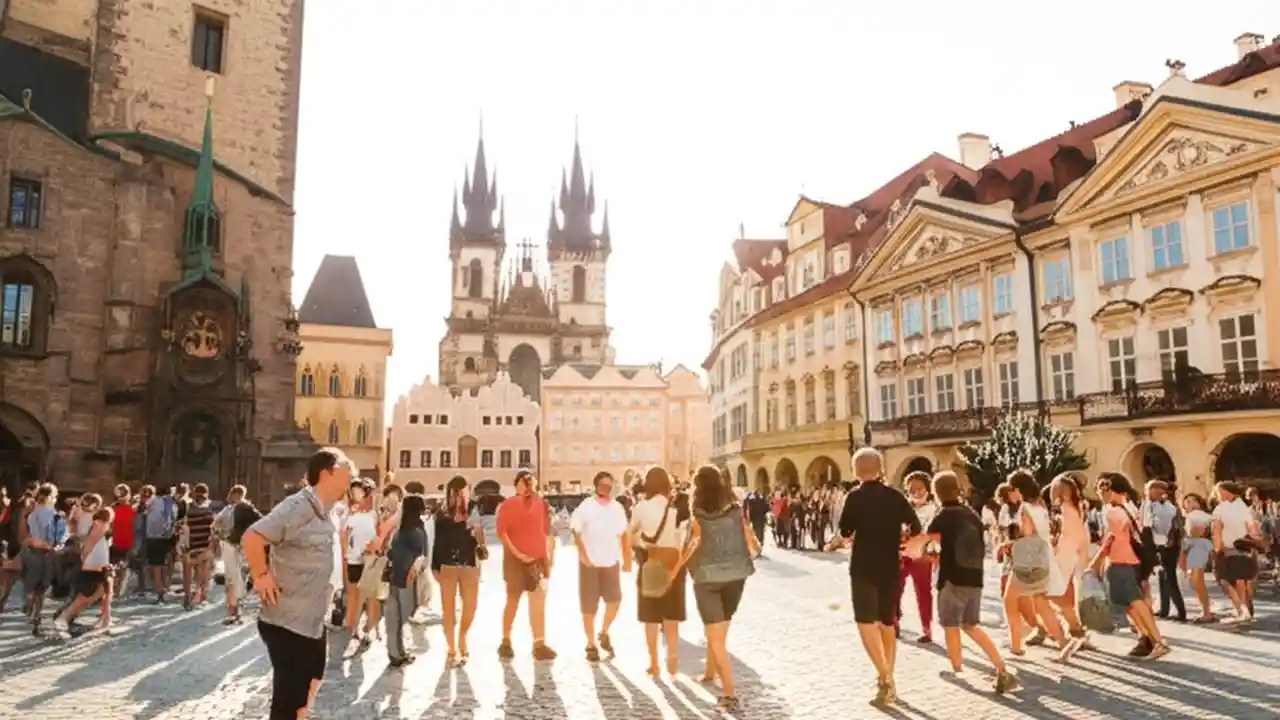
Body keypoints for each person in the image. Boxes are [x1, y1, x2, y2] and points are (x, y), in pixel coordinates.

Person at [243, 448, 353, 720]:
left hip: (313, 620)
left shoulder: (329, 511)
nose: (352, 473)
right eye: (346, 468)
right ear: (328, 472)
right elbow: (253, 536)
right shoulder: (298, 506)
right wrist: (261, 574)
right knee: (288, 700)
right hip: (287, 621)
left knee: (313, 680)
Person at [825, 447, 921, 707]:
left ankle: (884, 676)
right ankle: (888, 677)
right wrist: (902, 540)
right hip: (890, 565)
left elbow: (845, 530)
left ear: (856, 471)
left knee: (866, 622)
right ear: (880, 469)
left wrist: (842, 540)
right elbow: (916, 526)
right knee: (887, 623)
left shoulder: (854, 497)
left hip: (863, 566)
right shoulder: (894, 496)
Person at [911, 471, 1017, 693]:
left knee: (950, 625)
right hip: (974, 578)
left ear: (935, 494)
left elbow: (926, 541)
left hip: (952, 578)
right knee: (970, 625)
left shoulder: (942, 516)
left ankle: (957, 668)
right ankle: (1001, 667)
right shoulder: (972, 515)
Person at [680, 465, 759, 712]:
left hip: (707, 578)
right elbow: (751, 541)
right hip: (736, 576)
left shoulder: (696, 515)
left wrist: (676, 570)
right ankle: (709, 671)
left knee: (715, 637)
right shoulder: (736, 511)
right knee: (718, 632)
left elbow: (690, 547)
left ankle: (729, 693)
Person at [1090, 471, 1170, 660]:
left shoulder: (1113, 511)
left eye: (1104, 488)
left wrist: (1096, 562)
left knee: (1134, 602)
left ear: (1112, 489)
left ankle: (1157, 640)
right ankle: (1147, 638)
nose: (1100, 492)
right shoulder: (1127, 507)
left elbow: (1110, 539)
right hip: (1129, 561)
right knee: (1128, 604)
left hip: (1120, 561)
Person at [629, 466, 688, 676]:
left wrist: (642, 543)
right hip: (674, 564)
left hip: (652, 561)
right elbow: (683, 540)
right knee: (671, 617)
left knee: (651, 617)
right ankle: (672, 655)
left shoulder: (641, 508)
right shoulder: (678, 508)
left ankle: (654, 663)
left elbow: (630, 537)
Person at [571, 471, 632, 662]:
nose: (607, 487)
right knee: (589, 606)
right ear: (596, 486)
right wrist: (582, 554)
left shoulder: (617, 508)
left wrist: (627, 558)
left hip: (610, 561)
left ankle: (604, 631)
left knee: (615, 601)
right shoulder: (586, 507)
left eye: (610, 484)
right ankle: (590, 644)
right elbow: (576, 530)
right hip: (589, 563)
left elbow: (624, 534)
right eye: (603, 484)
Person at [497, 469, 556, 661]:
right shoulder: (508, 505)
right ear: (517, 484)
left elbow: (547, 532)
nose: (530, 484)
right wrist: (518, 554)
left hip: (537, 559)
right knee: (512, 601)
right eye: (525, 481)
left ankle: (539, 643)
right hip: (515, 561)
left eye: (532, 481)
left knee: (538, 602)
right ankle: (505, 641)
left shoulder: (541, 504)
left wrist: (549, 556)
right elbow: (503, 534)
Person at [433, 476, 485, 666]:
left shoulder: (473, 509)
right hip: (447, 565)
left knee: (471, 606)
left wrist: (477, 532)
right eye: (458, 491)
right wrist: (434, 566)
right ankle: (452, 648)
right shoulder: (442, 512)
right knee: (448, 611)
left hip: (469, 563)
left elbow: (480, 537)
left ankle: (462, 635)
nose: (462, 495)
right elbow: (437, 541)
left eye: (464, 490)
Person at [53, 506, 115, 636]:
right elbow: (87, 552)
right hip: (91, 570)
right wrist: (87, 561)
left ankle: (105, 620)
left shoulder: (100, 532)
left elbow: (99, 553)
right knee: (82, 600)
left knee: (102, 593)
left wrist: (105, 565)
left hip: (98, 569)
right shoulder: (96, 532)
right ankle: (62, 620)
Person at [384, 494, 429, 668]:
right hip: (407, 578)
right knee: (401, 617)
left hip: (395, 576)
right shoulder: (417, 530)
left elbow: (391, 553)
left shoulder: (400, 530)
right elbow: (420, 556)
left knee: (393, 617)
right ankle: (396, 652)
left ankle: (396, 652)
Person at [1212, 480, 1263, 625]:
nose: (1217, 494)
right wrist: (1255, 543)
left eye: (1219, 491)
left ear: (1226, 492)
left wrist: (1217, 549)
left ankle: (1242, 610)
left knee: (1227, 580)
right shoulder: (1244, 508)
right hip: (1246, 547)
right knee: (1243, 579)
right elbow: (1253, 529)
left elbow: (1217, 530)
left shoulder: (1220, 509)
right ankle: (1245, 607)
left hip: (1229, 548)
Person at [897, 471, 938, 643]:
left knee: (923, 593)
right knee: (894, 590)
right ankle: (894, 623)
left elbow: (928, 532)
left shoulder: (933, 510)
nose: (915, 492)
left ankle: (927, 629)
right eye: (911, 489)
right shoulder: (903, 509)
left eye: (919, 488)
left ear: (927, 490)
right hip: (902, 555)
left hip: (921, 557)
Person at [214, 485, 260, 625]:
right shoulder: (231, 509)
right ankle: (234, 611)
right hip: (232, 546)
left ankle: (235, 611)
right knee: (233, 579)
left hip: (238, 546)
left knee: (236, 579)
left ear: (238, 494)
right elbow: (216, 525)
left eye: (232, 493)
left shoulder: (245, 508)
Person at [182, 483, 217, 610]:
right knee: (202, 572)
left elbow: (182, 524)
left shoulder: (187, 507)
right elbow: (213, 528)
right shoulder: (209, 508)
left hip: (190, 544)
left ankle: (188, 597)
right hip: (204, 544)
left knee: (189, 572)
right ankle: (199, 597)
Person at [144, 485, 177, 604]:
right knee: (166, 563)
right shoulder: (171, 503)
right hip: (167, 536)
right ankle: (166, 587)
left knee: (156, 565)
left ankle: (159, 591)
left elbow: (144, 512)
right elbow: (174, 519)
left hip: (153, 536)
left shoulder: (152, 501)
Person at [109, 485, 136, 599]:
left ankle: (119, 589)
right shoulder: (112, 509)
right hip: (116, 542)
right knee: (114, 567)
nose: (121, 497)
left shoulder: (134, 509)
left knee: (124, 567)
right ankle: (114, 589)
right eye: (119, 494)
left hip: (129, 542)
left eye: (123, 494)